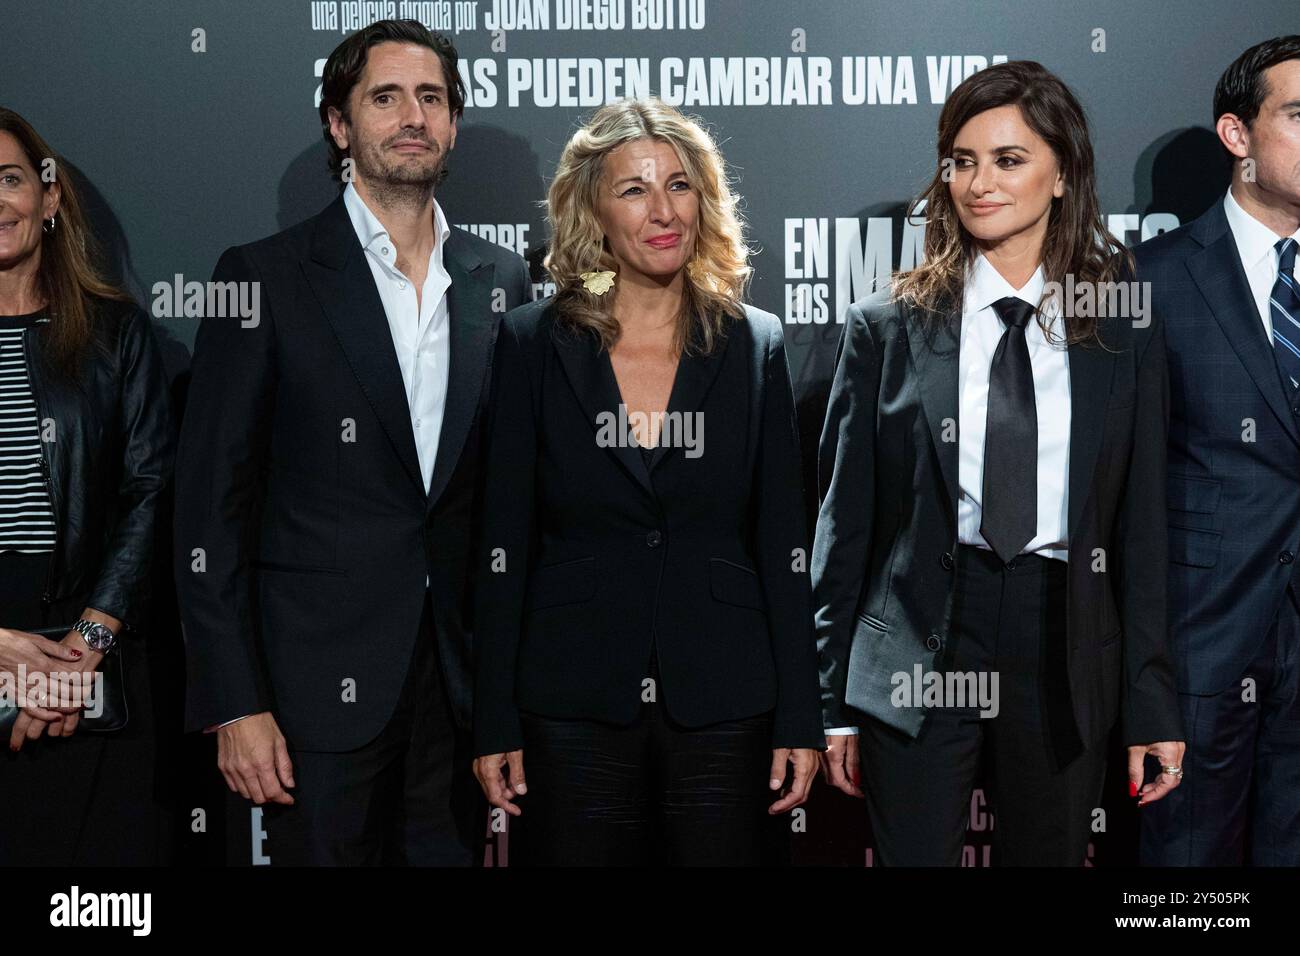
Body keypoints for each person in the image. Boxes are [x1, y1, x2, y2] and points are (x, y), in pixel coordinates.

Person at [174, 20, 530, 866]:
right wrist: (234, 702)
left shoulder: (501, 280)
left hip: (458, 695)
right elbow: (207, 509)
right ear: (339, 123)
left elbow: (501, 500)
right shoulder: (263, 277)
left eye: (432, 98)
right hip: (308, 702)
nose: (412, 116)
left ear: (452, 123)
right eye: (385, 97)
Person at [813, 61, 1185, 865]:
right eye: (962, 160)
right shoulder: (887, 324)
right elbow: (845, 531)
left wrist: (1152, 707)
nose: (980, 183)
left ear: (1063, 174)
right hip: (921, 635)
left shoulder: (1121, 321)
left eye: (1009, 160)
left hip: (1064, 635)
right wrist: (830, 705)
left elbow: (1143, 531)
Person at [471, 97, 823, 866]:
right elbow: (503, 540)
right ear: (592, 209)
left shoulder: (754, 343)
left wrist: (801, 713)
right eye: (634, 189)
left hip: (725, 699)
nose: (663, 210)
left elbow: (783, 544)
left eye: (680, 184)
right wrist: (494, 716)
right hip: (572, 698)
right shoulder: (534, 341)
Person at [1137, 36, 1300, 866]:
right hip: (1201, 644)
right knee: (1184, 886)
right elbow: (1117, 492)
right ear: (1237, 136)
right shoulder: (1150, 280)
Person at [0, 107, 174, 865]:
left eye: (8, 179)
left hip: (88, 644)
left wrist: (83, 650)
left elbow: (150, 490)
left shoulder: (117, 334)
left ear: (49, 199)